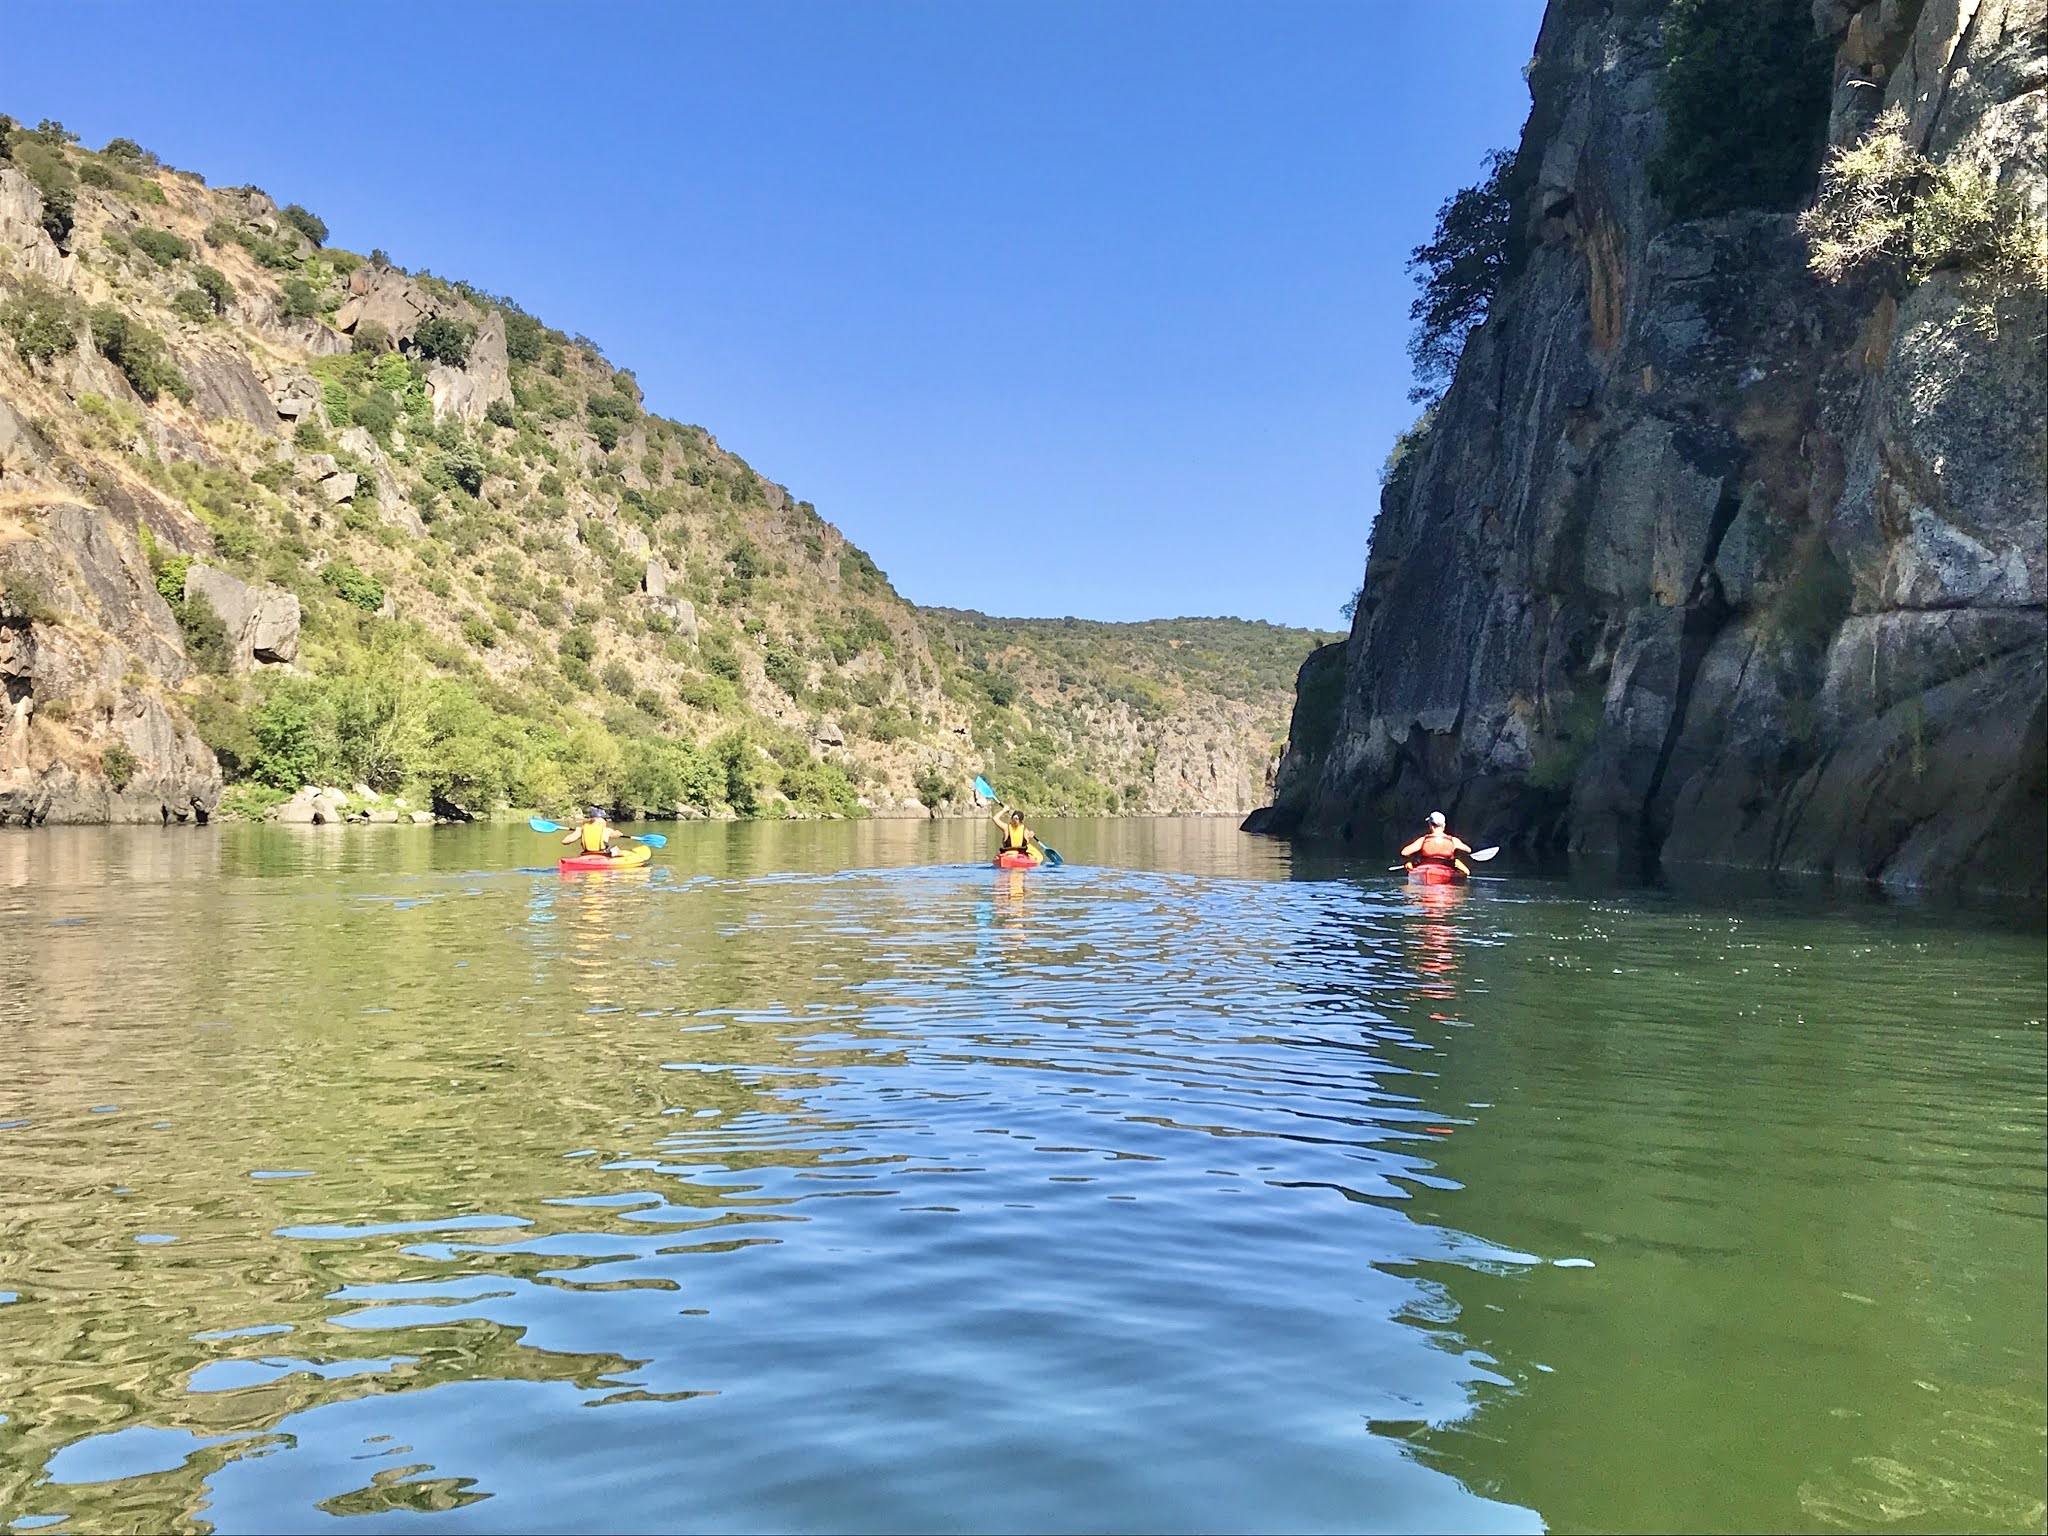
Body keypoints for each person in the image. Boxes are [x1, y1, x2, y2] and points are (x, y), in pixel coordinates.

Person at [1401, 811, 1472, 877]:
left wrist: (1413, 858)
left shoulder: (1423, 840)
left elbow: (1404, 852)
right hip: (1447, 871)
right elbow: (1468, 850)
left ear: (1431, 826)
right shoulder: (1453, 841)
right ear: (1444, 825)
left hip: (1425, 869)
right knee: (1463, 869)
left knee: (1409, 864)